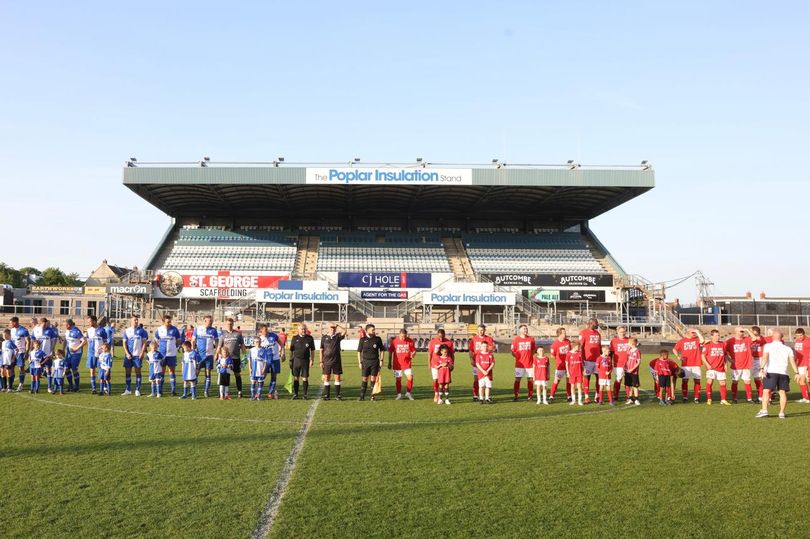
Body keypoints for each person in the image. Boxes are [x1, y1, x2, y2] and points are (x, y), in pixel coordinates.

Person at [756, 330, 799, 419]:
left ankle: (764, 410)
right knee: (782, 392)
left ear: (772, 337)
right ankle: (782, 412)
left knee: (766, 391)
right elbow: (792, 361)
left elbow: (765, 357)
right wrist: (796, 372)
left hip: (771, 372)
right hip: (783, 373)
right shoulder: (788, 349)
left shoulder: (767, 346)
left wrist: (761, 368)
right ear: (781, 338)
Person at [673, 328, 705, 403]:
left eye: (694, 332)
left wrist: (698, 332)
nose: (694, 334)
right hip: (686, 364)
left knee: (697, 381)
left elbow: (702, 341)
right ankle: (685, 397)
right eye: (692, 332)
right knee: (685, 381)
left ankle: (696, 397)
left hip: (696, 364)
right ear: (688, 333)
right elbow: (674, 349)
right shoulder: (682, 340)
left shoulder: (697, 339)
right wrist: (678, 356)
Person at [217, 318, 247, 398]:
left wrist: (244, 355)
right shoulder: (223, 335)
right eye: (228, 324)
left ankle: (239, 392)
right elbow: (219, 347)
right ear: (225, 324)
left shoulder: (238, 334)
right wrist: (217, 355)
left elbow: (242, 345)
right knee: (225, 375)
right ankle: (224, 393)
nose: (229, 325)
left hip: (236, 358)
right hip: (226, 359)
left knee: (237, 375)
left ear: (233, 324)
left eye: (230, 324)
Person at [725, 327, 755, 404]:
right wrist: (729, 359)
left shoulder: (747, 339)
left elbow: (754, 338)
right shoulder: (730, 341)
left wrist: (747, 330)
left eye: (743, 331)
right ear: (736, 332)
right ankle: (734, 398)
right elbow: (724, 352)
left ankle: (749, 399)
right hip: (736, 366)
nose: (742, 332)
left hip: (746, 364)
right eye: (741, 331)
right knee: (735, 381)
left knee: (747, 381)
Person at [154, 315, 182, 396]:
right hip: (162, 354)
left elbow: (178, 340)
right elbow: (156, 340)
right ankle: (160, 390)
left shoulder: (174, 329)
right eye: (168, 322)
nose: (169, 323)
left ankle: (173, 390)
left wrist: (174, 347)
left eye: (170, 321)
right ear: (163, 322)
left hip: (172, 354)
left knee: (172, 371)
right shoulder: (159, 330)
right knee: (162, 372)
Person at [192, 315, 219, 398]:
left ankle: (206, 391)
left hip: (209, 355)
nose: (210, 323)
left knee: (208, 373)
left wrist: (217, 353)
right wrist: (193, 350)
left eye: (211, 321)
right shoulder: (198, 329)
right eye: (209, 321)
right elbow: (193, 340)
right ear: (204, 321)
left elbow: (217, 342)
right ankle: (193, 390)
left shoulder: (213, 330)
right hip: (199, 355)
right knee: (196, 373)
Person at [121, 315, 148, 397]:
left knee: (138, 372)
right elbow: (124, 343)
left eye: (137, 320)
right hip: (128, 356)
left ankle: (137, 389)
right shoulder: (126, 331)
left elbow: (144, 343)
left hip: (137, 355)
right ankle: (128, 389)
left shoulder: (142, 331)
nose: (136, 321)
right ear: (131, 321)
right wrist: (127, 353)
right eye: (134, 320)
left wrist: (142, 352)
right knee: (128, 372)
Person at [702, 329, 730, 406]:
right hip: (711, 368)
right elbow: (703, 356)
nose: (718, 337)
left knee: (723, 384)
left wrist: (725, 364)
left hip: (720, 368)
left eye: (718, 335)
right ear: (712, 336)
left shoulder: (723, 344)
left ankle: (723, 400)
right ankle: (709, 399)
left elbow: (725, 355)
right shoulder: (707, 345)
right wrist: (707, 364)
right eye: (716, 335)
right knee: (710, 382)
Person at [357, 323, 384, 401]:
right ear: (367, 330)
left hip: (375, 362)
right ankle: (362, 396)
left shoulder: (377, 339)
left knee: (373, 379)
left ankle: (372, 396)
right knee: (364, 379)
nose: (374, 331)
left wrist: (381, 360)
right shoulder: (362, 340)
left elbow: (382, 350)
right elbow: (359, 351)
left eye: (374, 329)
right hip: (365, 362)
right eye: (372, 330)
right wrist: (360, 362)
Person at [427, 329, 455, 403]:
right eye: (439, 336)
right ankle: (436, 393)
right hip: (435, 364)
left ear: (444, 335)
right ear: (437, 335)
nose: (441, 338)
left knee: (445, 382)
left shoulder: (449, 342)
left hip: (445, 366)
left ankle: (444, 397)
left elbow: (452, 354)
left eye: (442, 336)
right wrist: (429, 363)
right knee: (436, 380)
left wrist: (452, 364)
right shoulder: (433, 342)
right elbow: (430, 353)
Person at [320, 323, 346, 401]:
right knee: (326, 378)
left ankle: (337, 395)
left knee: (337, 377)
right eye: (331, 328)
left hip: (336, 361)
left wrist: (338, 325)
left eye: (334, 328)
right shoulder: (324, 338)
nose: (333, 329)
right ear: (328, 328)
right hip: (326, 361)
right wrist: (321, 361)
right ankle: (327, 395)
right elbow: (321, 350)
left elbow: (345, 331)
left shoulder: (338, 336)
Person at [289, 323, 315, 400]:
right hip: (296, 360)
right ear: (298, 330)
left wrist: (312, 360)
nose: (303, 330)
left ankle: (305, 395)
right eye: (302, 329)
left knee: (305, 378)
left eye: (304, 329)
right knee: (296, 378)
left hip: (305, 361)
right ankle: (295, 394)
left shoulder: (310, 338)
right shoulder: (294, 338)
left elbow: (312, 350)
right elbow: (291, 350)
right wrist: (290, 360)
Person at [579, 318, 602, 403]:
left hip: (597, 360)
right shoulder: (583, 332)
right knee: (586, 377)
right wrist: (582, 359)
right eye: (596, 323)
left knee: (598, 378)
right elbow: (581, 347)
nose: (597, 324)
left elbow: (599, 347)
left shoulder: (598, 334)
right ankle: (586, 396)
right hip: (587, 360)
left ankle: (597, 396)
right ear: (591, 323)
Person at [511, 324, 537, 402]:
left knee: (530, 380)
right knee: (517, 379)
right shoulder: (516, 340)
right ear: (520, 330)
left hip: (529, 364)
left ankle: (530, 396)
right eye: (524, 329)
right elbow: (512, 352)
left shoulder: (531, 339)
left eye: (526, 329)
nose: (525, 330)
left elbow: (533, 350)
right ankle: (516, 396)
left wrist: (529, 357)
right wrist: (518, 358)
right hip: (520, 364)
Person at [388, 328, 416, 400]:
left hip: (407, 363)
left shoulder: (410, 341)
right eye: (402, 336)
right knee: (398, 379)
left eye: (405, 336)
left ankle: (408, 393)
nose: (403, 338)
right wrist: (389, 362)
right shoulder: (394, 341)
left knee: (410, 377)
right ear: (399, 334)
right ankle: (399, 394)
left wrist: (413, 354)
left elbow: (414, 351)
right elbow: (390, 352)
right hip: (397, 364)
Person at [469, 324, 495, 401]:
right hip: (477, 362)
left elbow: (492, 348)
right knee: (476, 379)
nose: (481, 331)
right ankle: (475, 395)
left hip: (486, 362)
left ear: (485, 330)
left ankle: (487, 396)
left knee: (488, 379)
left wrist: (491, 348)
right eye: (479, 330)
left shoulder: (489, 339)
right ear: (477, 330)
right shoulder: (474, 339)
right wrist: (471, 359)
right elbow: (471, 350)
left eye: (482, 330)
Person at [257, 324, 282, 399]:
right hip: (265, 361)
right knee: (262, 376)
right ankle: (259, 392)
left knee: (273, 376)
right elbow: (258, 350)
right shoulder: (260, 339)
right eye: (265, 330)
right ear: (261, 331)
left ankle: (270, 393)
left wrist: (282, 351)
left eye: (267, 329)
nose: (267, 331)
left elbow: (280, 343)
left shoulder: (273, 335)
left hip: (275, 359)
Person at [85, 315, 107, 395]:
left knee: (102, 370)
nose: (89, 323)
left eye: (90, 322)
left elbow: (105, 342)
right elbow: (87, 341)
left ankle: (103, 387)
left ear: (94, 321)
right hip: (91, 353)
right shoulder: (88, 330)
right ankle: (93, 388)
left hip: (100, 354)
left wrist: (104, 352)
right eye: (88, 322)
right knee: (92, 370)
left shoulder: (102, 330)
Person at [8, 317, 30, 392]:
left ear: (15, 322)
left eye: (11, 323)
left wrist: (27, 352)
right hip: (12, 352)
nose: (10, 324)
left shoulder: (24, 330)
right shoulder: (12, 330)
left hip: (21, 352)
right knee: (11, 368)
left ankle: (21, 384)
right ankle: (11, 383)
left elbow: (28, 341)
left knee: (21, 368)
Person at [609, 326, 631, 401]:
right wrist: (609, 364)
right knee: (618, 379)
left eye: (624, 331)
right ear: (617, 332)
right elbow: (611, 353)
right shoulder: (614, 341)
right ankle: (615, 395)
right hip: (618, 364)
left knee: (628, 380)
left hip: (628, 364)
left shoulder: (629, 340)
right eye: (621, 332)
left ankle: (628, 396)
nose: (622, 333)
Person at [549, 328, 571, 402]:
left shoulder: (568, 342)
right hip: (560, 366)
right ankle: (551, 395)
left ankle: (569, 396)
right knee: (556, 381)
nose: (566, 334)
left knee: (569, 381)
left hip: (568, 366)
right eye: (564, 333)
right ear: (560, 334)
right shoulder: (555, 344)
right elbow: (552, 355)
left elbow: (571, 351)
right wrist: (559, 359)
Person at [63, 319, 85, 392]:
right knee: (66, 369)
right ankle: (71, 385)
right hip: (68, 353)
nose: (64, 326)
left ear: (69, 325)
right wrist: (63, 349)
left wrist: (76, 348)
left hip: (77, 353)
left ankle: (77, 386)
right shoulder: (67, 331)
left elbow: (84, 341)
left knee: (74, 369)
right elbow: (66, 340)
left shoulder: (77, 331)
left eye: (65, 325)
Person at [749, 326, 767, 402]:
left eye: (752, 331)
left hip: (761, 359)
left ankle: (767, 396)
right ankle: (760, 396)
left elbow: (757, 339)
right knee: (756, 379)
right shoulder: (750, 339)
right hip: (754, 360)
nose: (752, 333)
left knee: (763, 378)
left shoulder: (762, 339)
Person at [793, 328, 810, 403]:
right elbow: (797, 353)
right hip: (799, 364)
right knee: (801, 381)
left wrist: (807, 364)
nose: (799, 337)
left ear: (804, 334)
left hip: (806, 363)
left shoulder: (808, 341)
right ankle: (805, 398)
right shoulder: (797, 341)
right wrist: (794, 360)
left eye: (800, 335)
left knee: (805, 380)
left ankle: (806, 398)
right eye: (797, 336)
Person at [624, 339, 641, 405]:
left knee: (635, 386)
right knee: (629, 385)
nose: (627, 344)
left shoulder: (637, 351)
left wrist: (632, 369)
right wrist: (624, 366)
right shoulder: (628, 350)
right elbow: (627, 360)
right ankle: (630, 399)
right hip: (627, 371)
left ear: (633, 344)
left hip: (634, 372)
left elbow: (638, 362)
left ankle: (636, 399)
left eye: (628, 343)